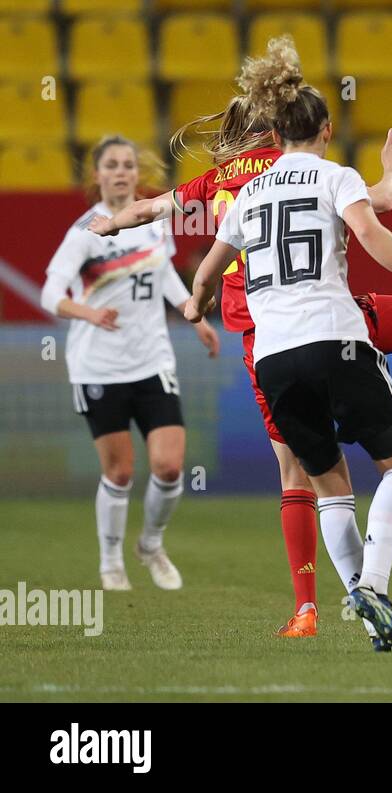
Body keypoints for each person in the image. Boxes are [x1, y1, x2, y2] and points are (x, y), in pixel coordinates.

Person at [91, 36, 392, 639]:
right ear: (312, 127)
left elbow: (164, 229)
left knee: (310, 481)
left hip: (266, 349)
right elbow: (378, 213)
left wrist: (119, 234)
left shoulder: (224, 188)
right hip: (337, 322)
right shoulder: (324, 172)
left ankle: (310, 610)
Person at [186, 55, 392, 652]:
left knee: (329, 485)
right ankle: (373, 584)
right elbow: (372, 233)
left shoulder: (247, 194)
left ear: (276, 133)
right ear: (325, 130)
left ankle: (369, 611)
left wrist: (196, 305)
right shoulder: (336, 176)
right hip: (335, 340)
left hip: (273, 359)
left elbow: (207, 272)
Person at [40, 135, 221, 591]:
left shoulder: (153, 220)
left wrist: (191, 312)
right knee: (119, 472)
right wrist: (90, 313)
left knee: (169, 467)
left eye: (127, 165)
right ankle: (109, 562)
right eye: (111, 165)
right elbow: (50, 295)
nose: (120, 172)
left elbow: (161, 273)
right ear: (97, 175)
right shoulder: (85, 232)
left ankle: (151, 544)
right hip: (97, 366)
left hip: (152, 360)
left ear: (136, 173)